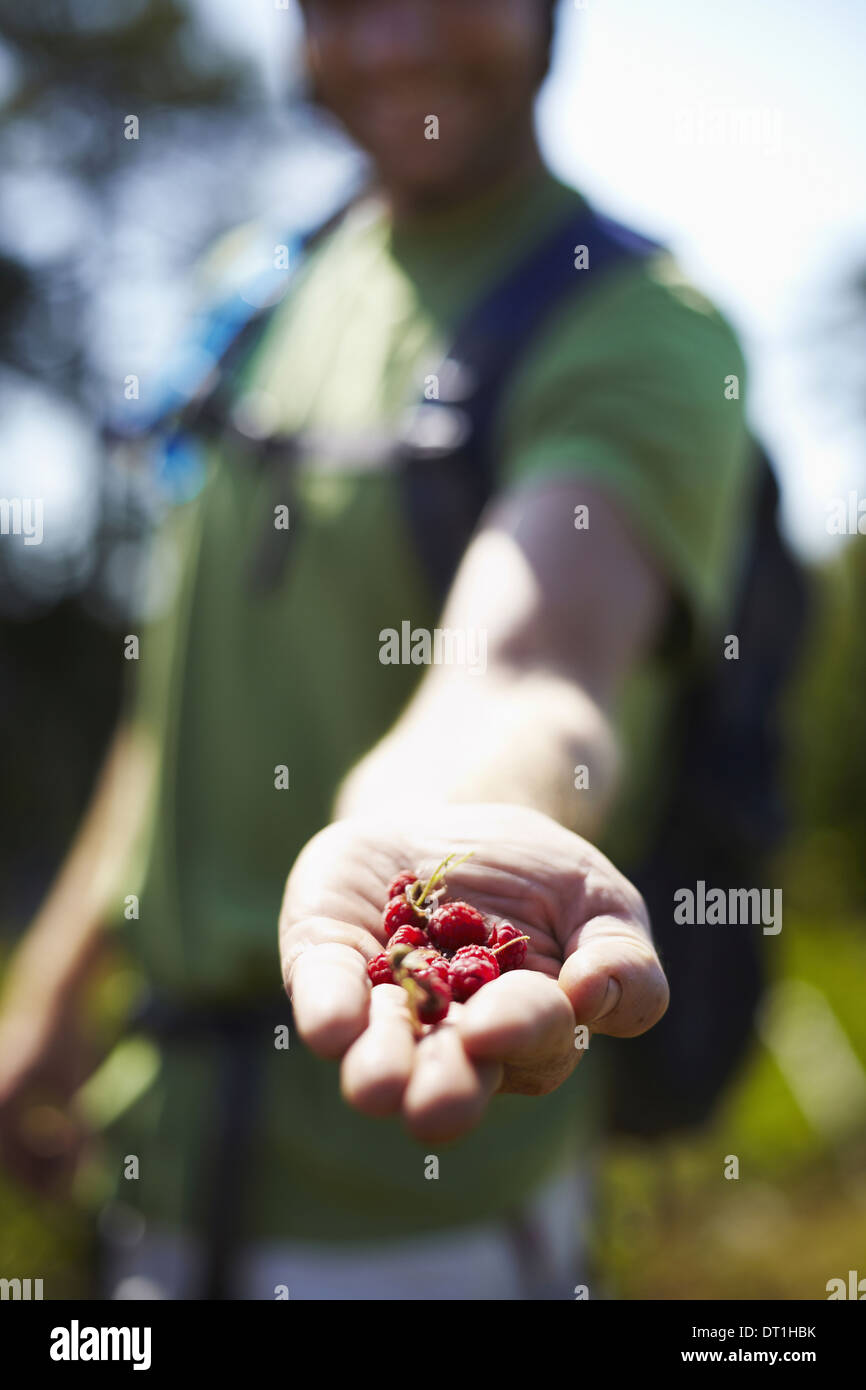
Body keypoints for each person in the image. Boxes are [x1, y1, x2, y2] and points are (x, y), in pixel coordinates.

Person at [0, 0, 754, 1300]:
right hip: (158, 1163)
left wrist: (443, 820)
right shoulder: (259, 292)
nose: (391, 36)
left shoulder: (640, 329)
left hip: (419, 1230)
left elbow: (532, 659)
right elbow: (177, 705)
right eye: (341, 5)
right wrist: (56, 982)